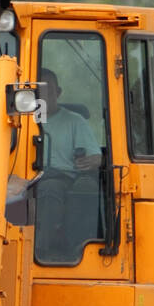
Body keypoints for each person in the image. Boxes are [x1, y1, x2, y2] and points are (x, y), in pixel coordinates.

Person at [35, 68, 101, 260]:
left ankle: (42, 252)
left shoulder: (75, 121)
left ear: (58, 92)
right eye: (37, 90)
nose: (42, 95)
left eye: (47, 90)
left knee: (50, 188)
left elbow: (96, 157)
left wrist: (90, 161)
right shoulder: (20, 122)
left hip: (61, 178)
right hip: (24, 178)